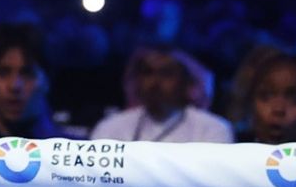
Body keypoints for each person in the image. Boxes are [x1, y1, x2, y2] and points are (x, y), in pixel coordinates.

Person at [90, 45, 235, 143]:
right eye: (147, 72)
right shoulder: (111, 127)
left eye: (166, 73)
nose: (154, 82)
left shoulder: (212, 128)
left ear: (186, 82)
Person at [0, 23, 83, 139]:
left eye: (27, 73)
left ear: (47, 80)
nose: (14, 86)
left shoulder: (75, 148)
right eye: (3, 73)